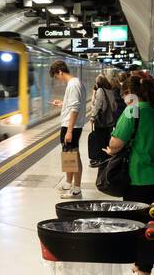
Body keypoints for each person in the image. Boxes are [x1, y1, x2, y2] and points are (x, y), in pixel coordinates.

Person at [104, 75, 154, 275]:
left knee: (140, 227)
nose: (124, 99)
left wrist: (110, 149)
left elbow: (116, 143)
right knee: (152, 223)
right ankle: (142, 266)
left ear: (130, 94)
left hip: (137, 177)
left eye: (124, 95)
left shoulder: (133, 111)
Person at [51, 60, 86, 197]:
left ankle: (76, 190)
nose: (57, 79)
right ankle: (68, 184)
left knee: (73, 157)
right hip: (71, 125)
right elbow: (72, 105)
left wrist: (70, 130)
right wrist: (62, 103)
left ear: (60, 71)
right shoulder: (75, 83)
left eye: (56, 76)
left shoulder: (73, 84)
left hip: (71, 126)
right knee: (70, 157)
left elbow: (75, 108)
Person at [86, 73, 121, 167]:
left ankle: (100, 159)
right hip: (109, 120)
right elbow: (114, 106)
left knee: (99, 139)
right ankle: (106, 157)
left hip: (101, 121)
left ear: (98, 82)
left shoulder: (100, 90)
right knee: (107, 139)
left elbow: (98, 105)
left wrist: (93, 116)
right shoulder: (110, 90)